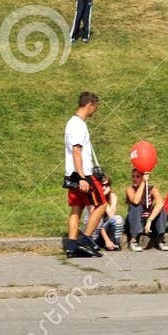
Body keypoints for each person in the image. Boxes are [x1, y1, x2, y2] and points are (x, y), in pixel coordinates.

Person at [63, 91, 107, 257]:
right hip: (83, 174)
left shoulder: (73, 123)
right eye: (95, 108)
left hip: (72, 173)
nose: (95, 111)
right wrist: (82, 177)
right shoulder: (77, 125)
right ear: (90, 105)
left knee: (77, 208)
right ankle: (86, 239)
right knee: (101, 204)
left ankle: (72, 247)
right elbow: (76, 151)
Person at [124, 168, 167, 251]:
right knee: (136, 206)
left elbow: (160, 203)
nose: (134, 179)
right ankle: (133, 240)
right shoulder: (130, 189)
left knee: (161, 209)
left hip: (148, 222)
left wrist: (150, 220)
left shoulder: (152, 189)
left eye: (138, 176)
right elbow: (136, 201)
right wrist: (143, 183)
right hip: (135, 221)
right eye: (133, 176)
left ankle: (160, 239)